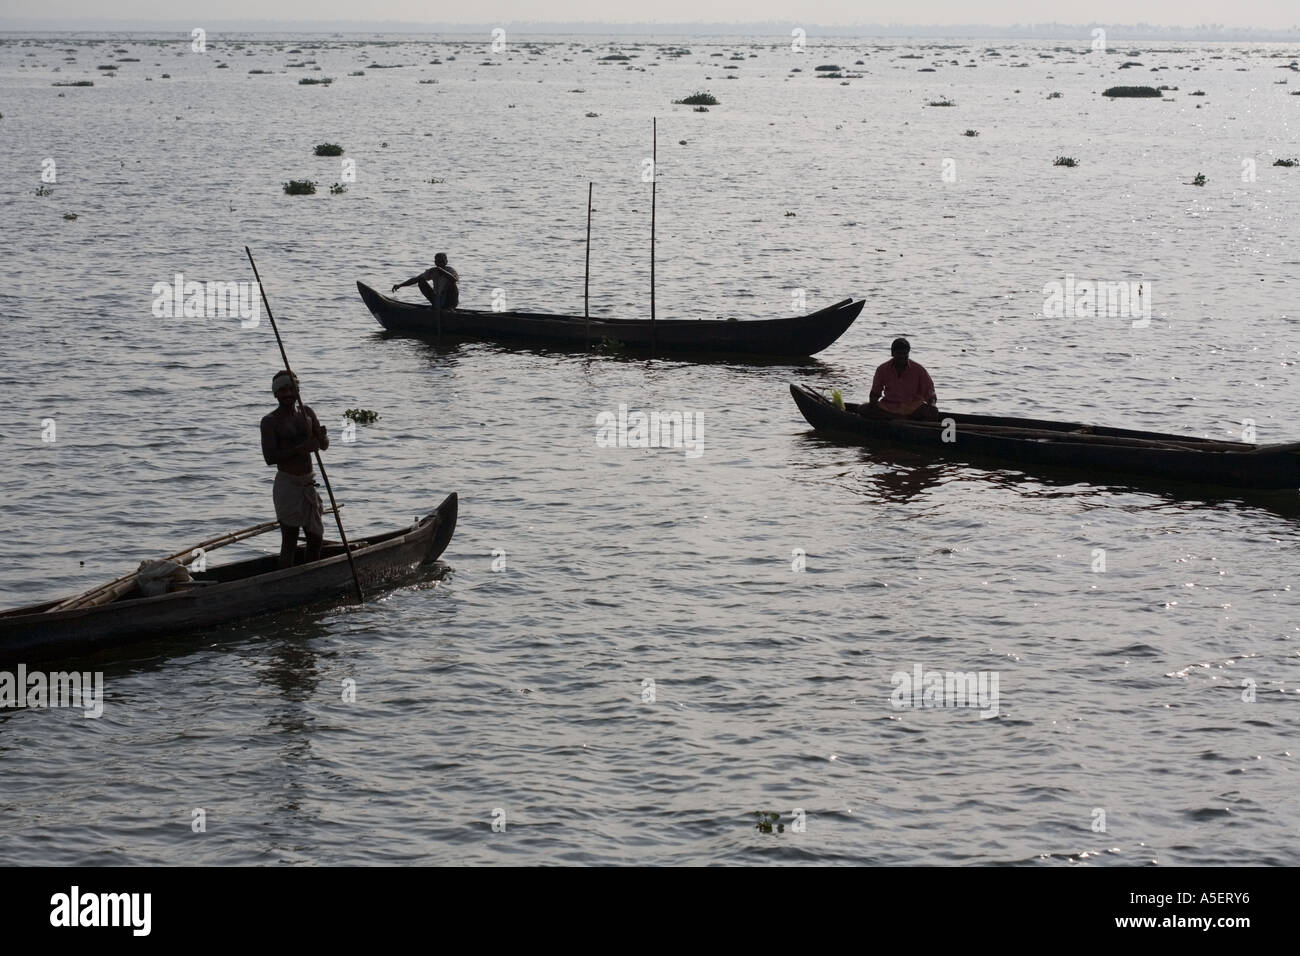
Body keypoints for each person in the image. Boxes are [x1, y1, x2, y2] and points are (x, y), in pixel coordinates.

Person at [260, 370, 329, 569]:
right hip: (288, 485)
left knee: (316, 537)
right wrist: (301, 448)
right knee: (289, 539)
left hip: (308, 483)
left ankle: (311, 574)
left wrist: (322, 437)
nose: (288, 393)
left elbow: (323, 445)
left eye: (292, 389)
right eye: (283, 390)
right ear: (275, 394)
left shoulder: (307, 413)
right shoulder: (270, 421)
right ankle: (286, 579)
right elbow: (270, 457)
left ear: (298, 390)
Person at [862, 338, 940, 422]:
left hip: (913, 408)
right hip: (889, 407)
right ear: (892, 353)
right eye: (899, 353)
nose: (902, 356)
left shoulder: (918, 369)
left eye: (905, 354)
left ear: (908, 353)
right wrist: (872, 405)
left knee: (932, 412)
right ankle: (900, 419)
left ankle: (897, 420)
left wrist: (932, 405)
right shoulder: (882, 369)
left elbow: (930, 392)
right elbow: (875, 392)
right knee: (862, 409)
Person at [392, 253, 459, 310]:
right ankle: (436, 305)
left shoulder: (451, 270)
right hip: (437, 299)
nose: (440, 263)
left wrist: (442, 271)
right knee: (421, 281)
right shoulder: (432, 271)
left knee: (452, 285)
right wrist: (400, 285)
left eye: (442, 261)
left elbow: (454, 279)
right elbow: (415, 279)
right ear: (435, 262)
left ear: (446, 262)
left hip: (449, 301)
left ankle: (448, 308)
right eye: (438, 261)